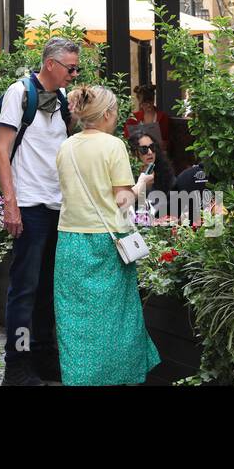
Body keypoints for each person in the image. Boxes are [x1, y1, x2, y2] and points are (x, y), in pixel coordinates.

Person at [54, 84, 160, 385]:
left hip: (70, 240)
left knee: (76, 319)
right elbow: (123, 200)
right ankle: (116, 377)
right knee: (116, 318)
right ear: (108, 113)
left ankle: (79, 378)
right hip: (108, 241)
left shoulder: (66, 146)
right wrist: (142, 184)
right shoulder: (112, 146)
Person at [0, 36, 80, 386]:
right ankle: (17, 363)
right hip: (29, 206)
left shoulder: (60, 100)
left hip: (56, 206)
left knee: (47, 288)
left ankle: (44, 358)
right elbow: (2, 151)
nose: (74, 74)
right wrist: (10, 204)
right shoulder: (20, 93)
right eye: (70, 68)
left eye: (76, 68)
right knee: (24, 290)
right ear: (50, 64)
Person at [128, 124, 174, 216]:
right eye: (144, 149)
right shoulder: (128, 176)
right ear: (133, 153)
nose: (150, 152)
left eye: (152, 147)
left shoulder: (165, 173)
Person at [124, 84, 171, 153]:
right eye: (145, 103)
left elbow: (167, 140)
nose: (148, 105)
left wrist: (164, 144)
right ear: (140, 102)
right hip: (140, 154)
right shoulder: (133, 118)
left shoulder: (163, 117)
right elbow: (127, 139)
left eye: (151, 101)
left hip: (158, 154)